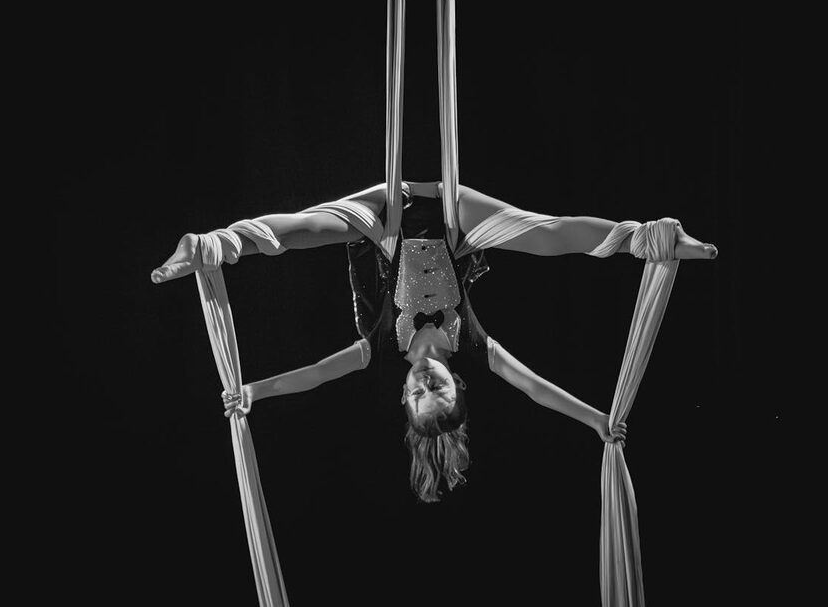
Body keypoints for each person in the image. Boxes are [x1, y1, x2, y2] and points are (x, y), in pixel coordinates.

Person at [152, 181, 716, 502]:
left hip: (384, 218)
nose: (426, 385)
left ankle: (207, 246)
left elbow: (316, 373)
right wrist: (596, 419)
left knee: (305, 230)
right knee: (547, 233)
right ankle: (653, 238)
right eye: (439, 393)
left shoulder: (376, 347)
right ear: (455, 384)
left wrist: (252, 391)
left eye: (418, 396)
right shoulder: (470, 341)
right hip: (453, 219)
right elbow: (535, 388)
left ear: (404, 396)